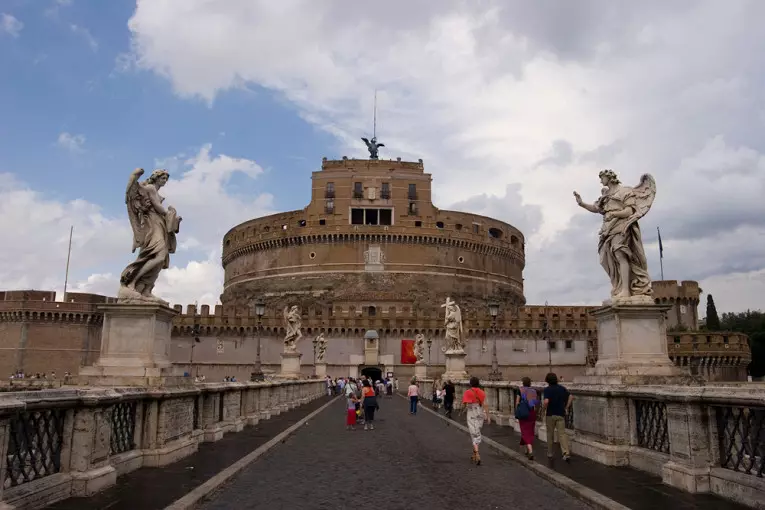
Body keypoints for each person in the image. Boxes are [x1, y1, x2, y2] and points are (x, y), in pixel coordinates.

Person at [542, 372, 572, 462]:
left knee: (550, 434)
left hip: (550, 415)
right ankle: (566, 453)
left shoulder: (547, 389)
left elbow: (546, 401)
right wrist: (566, 407)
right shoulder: (562, 388)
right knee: (562, 434)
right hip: (560, 414)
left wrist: (543, 410)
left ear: (547, 380)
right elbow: (570, 396)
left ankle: (550, 453)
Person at [462, 376, 489, 465]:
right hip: (480, 413)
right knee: (477, 431)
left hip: (471, 413)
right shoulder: (482, 392)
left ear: (470, 383)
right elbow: (485, 405)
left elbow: (464, 404)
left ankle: (477, 453)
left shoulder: (467, 392)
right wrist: (488, 416)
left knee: (474, 433)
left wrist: (462, 410)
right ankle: (474, 453)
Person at [516, 377, 538, 460]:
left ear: (523, 383)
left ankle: (530, 450)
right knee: (529, 431)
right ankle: (523, 448)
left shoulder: (520, 390)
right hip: (531, 413)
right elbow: (534, 404)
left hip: (523, 413)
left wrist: (517, 411)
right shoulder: (533, 391)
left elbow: (517, 402)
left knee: (525, 431)